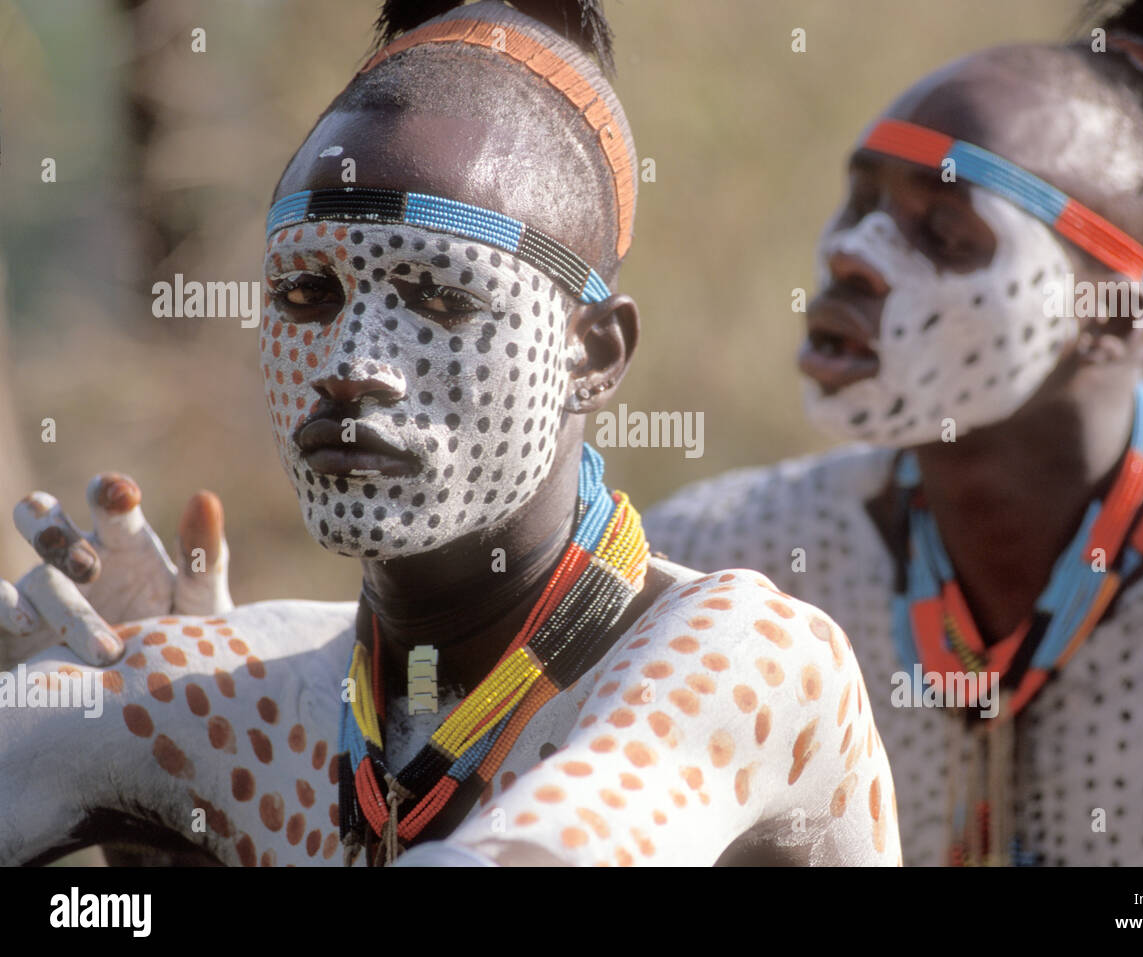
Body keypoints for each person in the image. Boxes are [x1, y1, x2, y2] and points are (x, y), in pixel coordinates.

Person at [0, 0, 898, 868]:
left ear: (594, 353)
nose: (350, 362)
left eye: (440, 299)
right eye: (308, 295)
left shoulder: (748, 660)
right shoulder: (239, 694)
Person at [644, 0, 1143, 865]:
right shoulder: (726, 566)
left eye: (946, 233)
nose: (854, 254)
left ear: (1114, 313)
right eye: (859, 203)